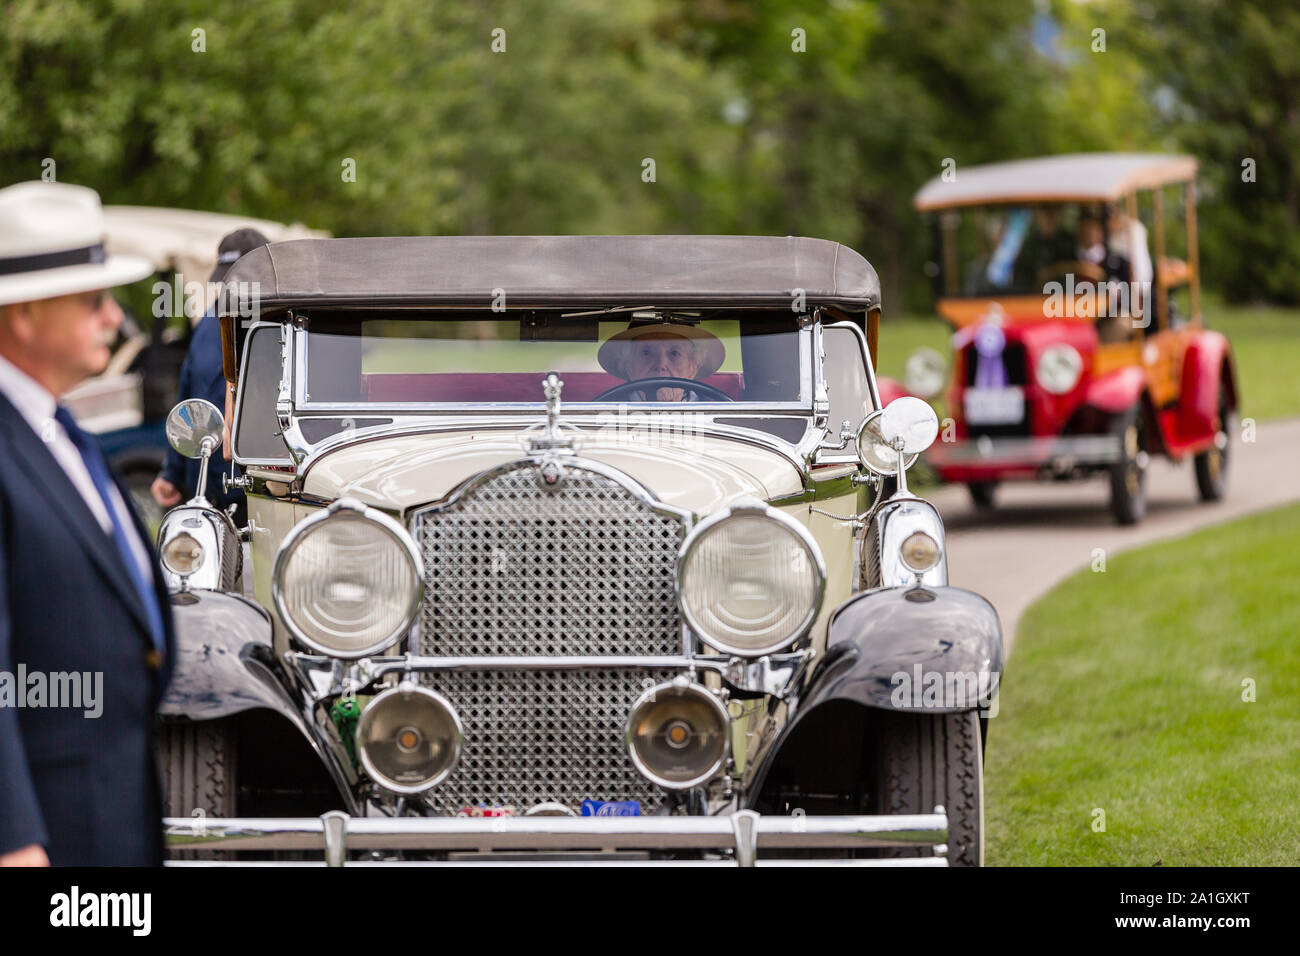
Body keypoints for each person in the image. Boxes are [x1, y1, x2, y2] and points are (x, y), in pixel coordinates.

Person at [0, 181, 174, 866]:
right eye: (93, 300)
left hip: (105, 812)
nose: (115, 318)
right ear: (24, 315)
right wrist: (12, 839)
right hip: (45, 834)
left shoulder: (59, 429)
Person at [151, 228, 267, 523]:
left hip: (260, 500)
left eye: (243, 279)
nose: (234, 287)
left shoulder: (280, 327)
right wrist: (172, 472)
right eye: (229, 279)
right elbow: (190, 401)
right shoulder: (207, 324)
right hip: (205, 495)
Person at [596, 319, 725, 401]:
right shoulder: (604, 414)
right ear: (628, 365)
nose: (660, 364)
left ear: (693, 368)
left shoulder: (715, 413)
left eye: (674, 353)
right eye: (646, 353)